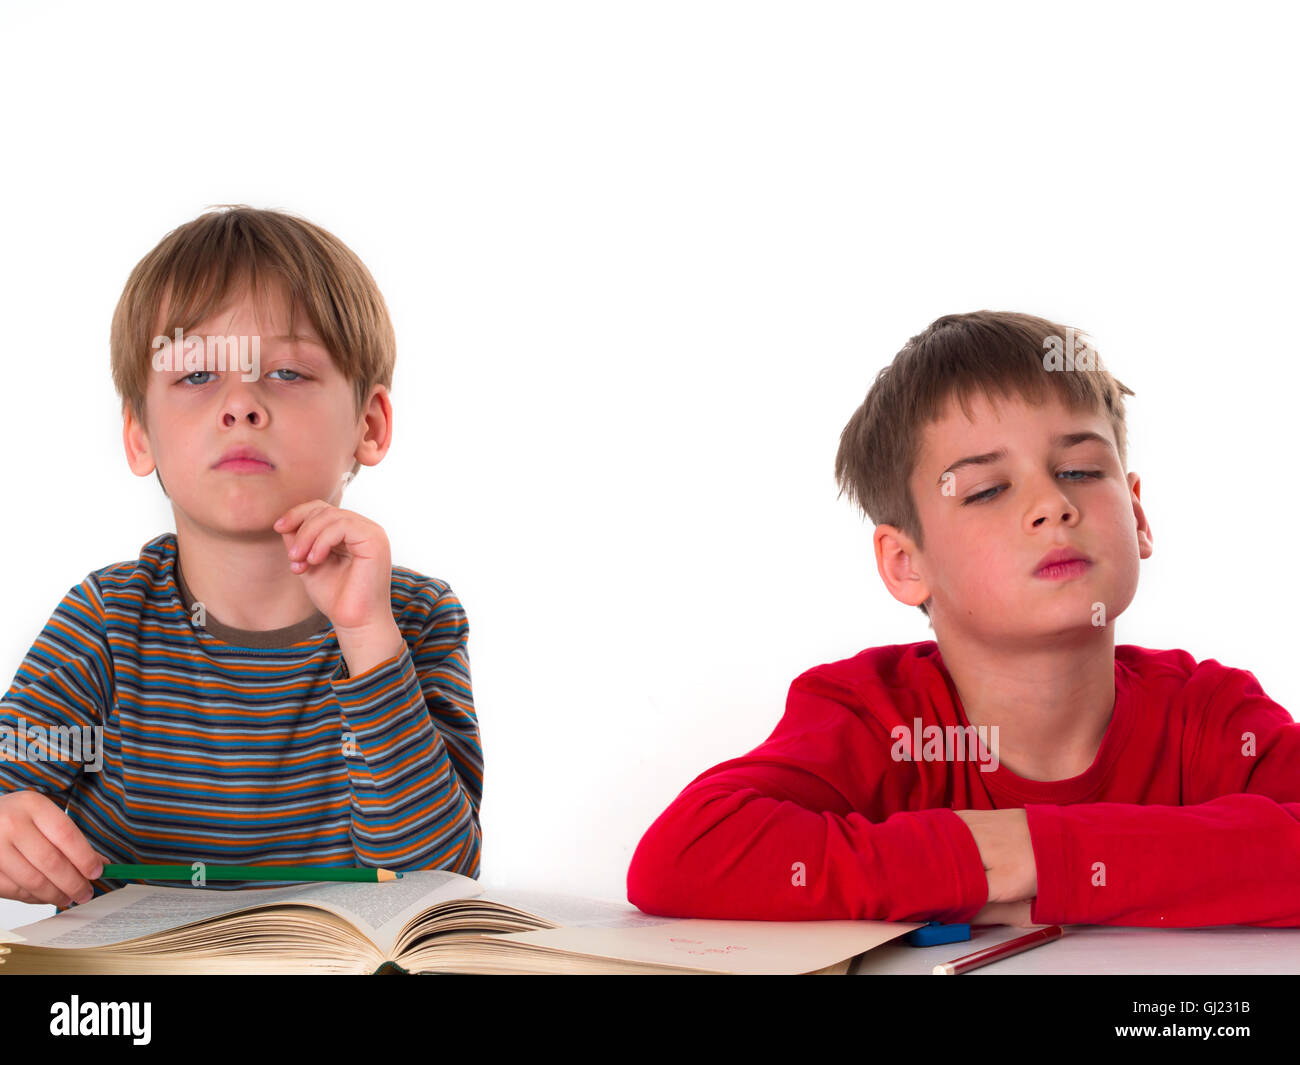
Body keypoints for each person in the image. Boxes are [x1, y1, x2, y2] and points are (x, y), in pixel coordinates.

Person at [627, 310, 1300, 927]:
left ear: (1138, 515)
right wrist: (987, 862)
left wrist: (1032, 851)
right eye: (986, 489)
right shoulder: (873, 717)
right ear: (904, 564)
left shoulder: (1213, 715)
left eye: (1080, 470)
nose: (1051, 505)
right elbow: (684, 852)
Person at [0, 206, 482, 910]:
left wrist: (366, 636)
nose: (241, 405)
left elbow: (436, 877)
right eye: (195, 376)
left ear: (369, 425)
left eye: (286, 370)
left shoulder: (411, 618)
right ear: (139, 437)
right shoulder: (106, 622)